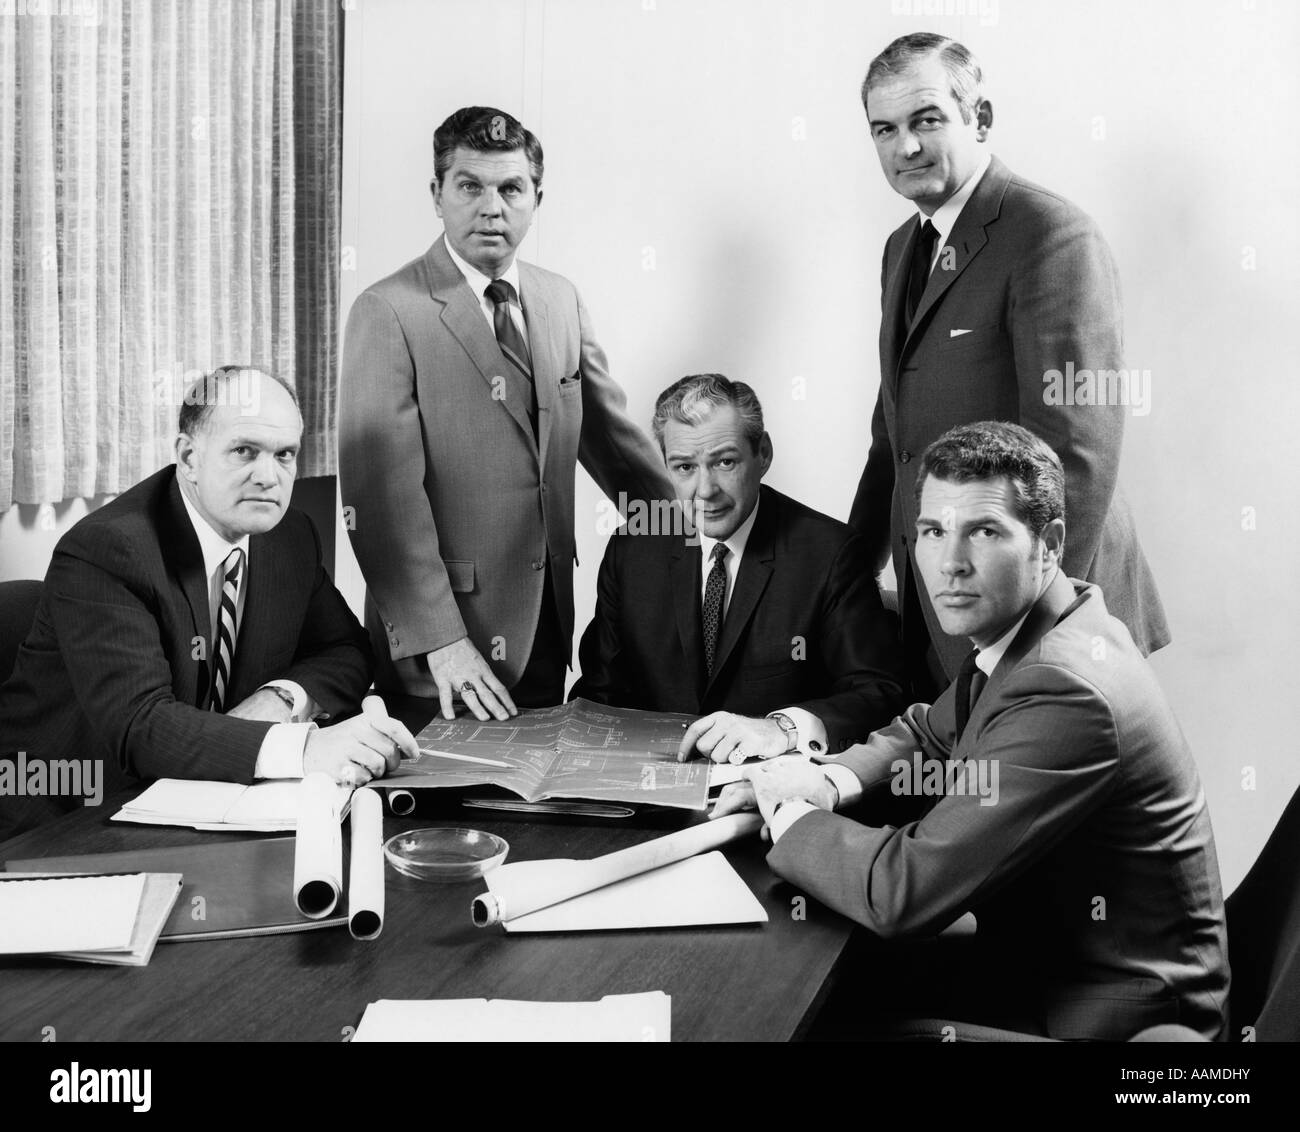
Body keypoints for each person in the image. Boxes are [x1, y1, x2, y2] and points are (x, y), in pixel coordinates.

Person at [714, 421, 1228, 1041]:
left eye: (984, 532)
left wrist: (788, 812)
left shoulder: (1066, 690)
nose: (950, 564)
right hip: (1037, 957)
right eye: (933, 531)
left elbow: (902, 892)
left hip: (1107, 1018)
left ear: (1050, 543)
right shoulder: (1043, 626)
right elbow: (929, 733)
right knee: (828, 990)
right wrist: (825, 779)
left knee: (825, 1024)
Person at [848, 32, 1167, 697]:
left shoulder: (1051, 236)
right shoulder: (901, 248)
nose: (905, 146)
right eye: (884, 129)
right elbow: (895, 440)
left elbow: (1074, 454)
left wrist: (1022, 627)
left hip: (1048, 621)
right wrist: (844, 583)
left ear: (980, 118)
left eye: (926, 120)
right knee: (955, 798)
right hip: (944, 608)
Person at [340, 106, 670, 721]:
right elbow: (379, 504)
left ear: (536, 198)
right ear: (436, 195)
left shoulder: (559, 298)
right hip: (439, 651)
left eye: (510, 188)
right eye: (470, 186)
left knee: (535, 809)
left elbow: (617, 447)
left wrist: (707, 538)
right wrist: (441, 642)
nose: (492, 208)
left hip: (547, 625)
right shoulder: (386, 310)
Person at [0, 367, 415, 839]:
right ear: (188, 457)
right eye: (244, 451)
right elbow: (143, 726)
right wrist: (301, 749)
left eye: (285, 455)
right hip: (65, 819)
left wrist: (279, 700)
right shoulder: (109, 550)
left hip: (196, 798)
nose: (268, 476)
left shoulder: (289, 535)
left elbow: (348, 649)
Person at [572, 374, 905, 761]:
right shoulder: (631, 551)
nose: (706, 490)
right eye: (684, 467)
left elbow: (879, 692)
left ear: (763, 453)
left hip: (774, 793)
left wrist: (782, 727)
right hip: (649, 788)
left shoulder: (830, 554)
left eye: (724, 462)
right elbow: (601, 694)